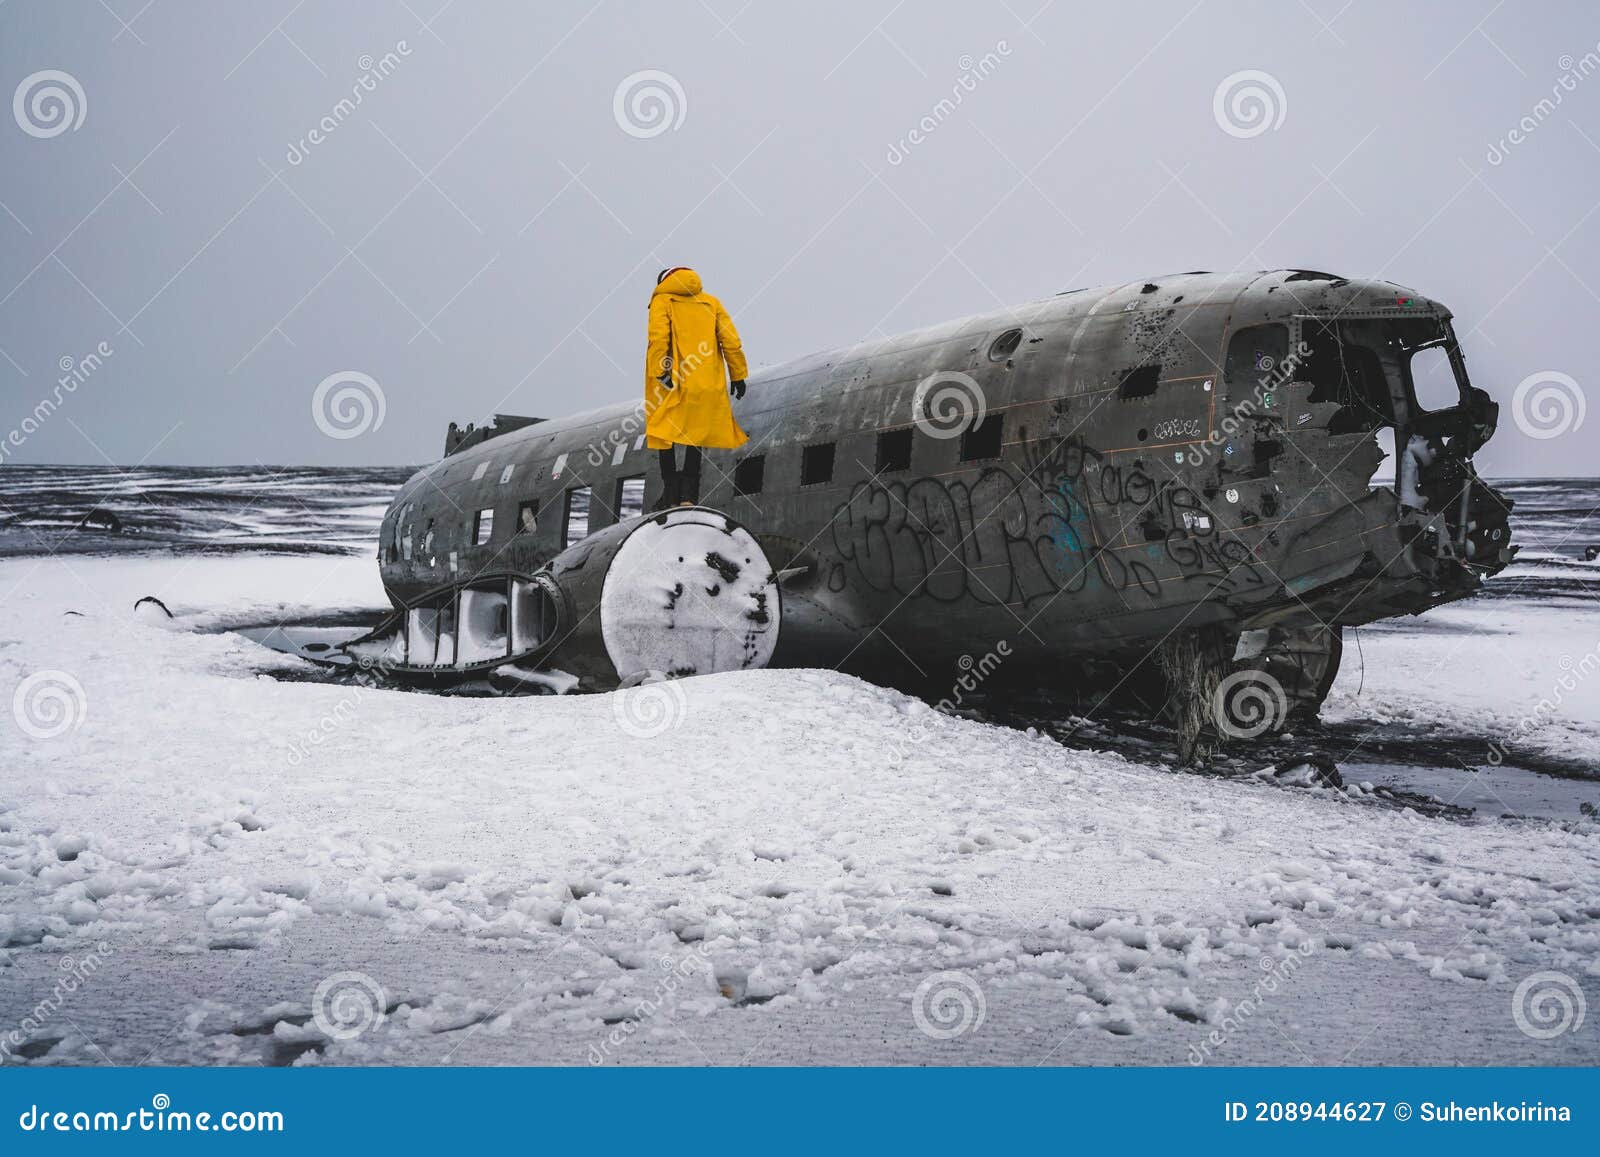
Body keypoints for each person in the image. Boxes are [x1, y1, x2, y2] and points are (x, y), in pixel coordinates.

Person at [644, 267, 749, 508]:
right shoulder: (711, 303)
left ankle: (670, 493)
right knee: (696, 434)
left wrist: (661, 370)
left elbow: (658, 337)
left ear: (664, 281)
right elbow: (730, 340)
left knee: (664, 434)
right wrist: (738, 375)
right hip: (706, 382)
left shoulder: (663, 300)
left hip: (673, 380)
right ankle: (688, 496)